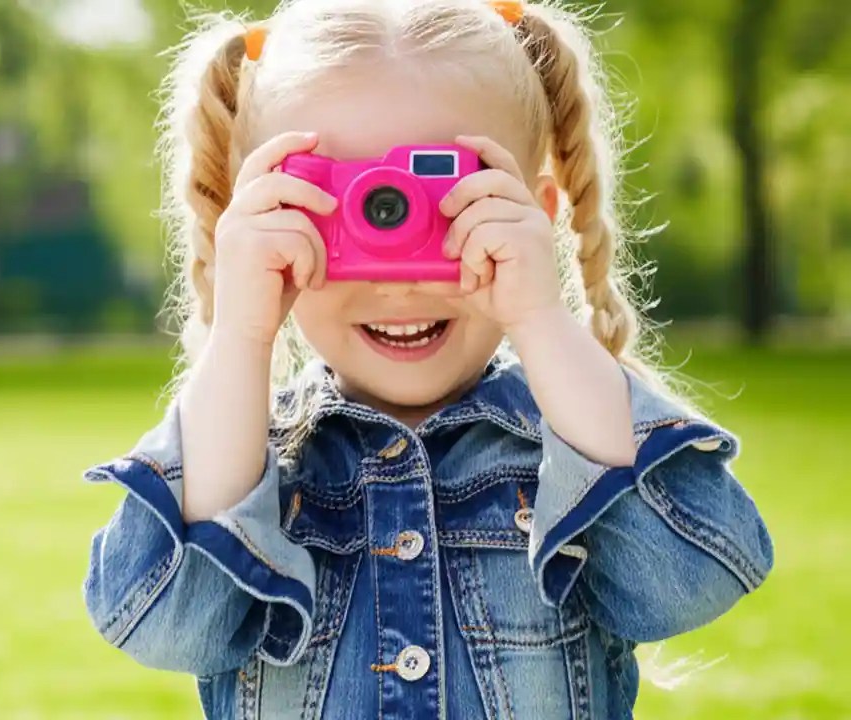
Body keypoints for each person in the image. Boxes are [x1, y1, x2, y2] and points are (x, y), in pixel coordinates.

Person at [81, 0, 773, 717]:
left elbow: (690, 579)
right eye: (343, 204)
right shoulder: (246, 461)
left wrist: (541, 317)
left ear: (535, 216)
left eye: (442, 199)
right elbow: (166, 624)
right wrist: (241, 337)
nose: (396, 268)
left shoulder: (573, 438)